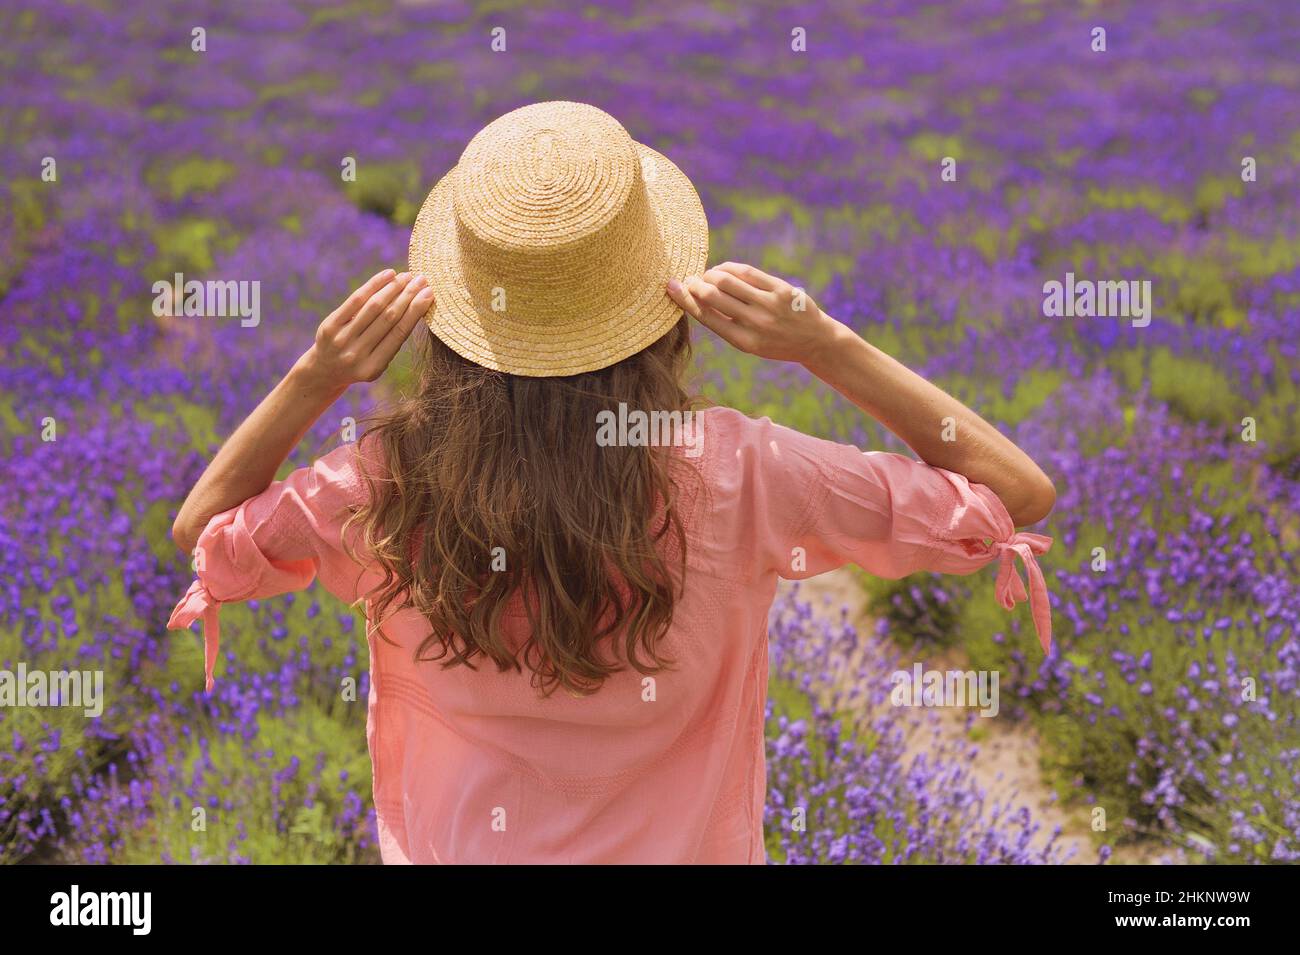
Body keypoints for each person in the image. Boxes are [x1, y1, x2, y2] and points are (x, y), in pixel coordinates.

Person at [169, 102, 1055, 864]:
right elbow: (1016, 496)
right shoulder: (743, 472)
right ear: (662, 307)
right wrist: (827, 345)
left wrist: (315, 376)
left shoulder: (380, 485)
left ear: (456, 314)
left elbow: (203, 533)